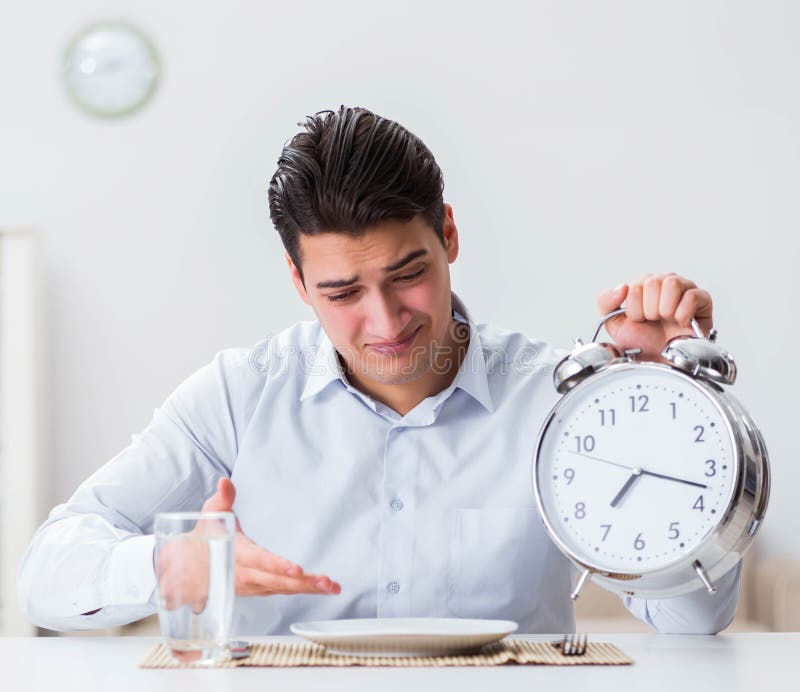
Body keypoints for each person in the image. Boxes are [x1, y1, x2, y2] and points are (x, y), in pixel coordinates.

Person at [17, 106, 740, 635]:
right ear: (300, 283)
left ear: (448, 235)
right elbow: (45, 571)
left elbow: (695, 622)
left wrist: (668, 402)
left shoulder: (561, 400)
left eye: (408, 275)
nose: (387, 321)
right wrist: (167, 567)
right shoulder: (238, 398)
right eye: (342, 293)